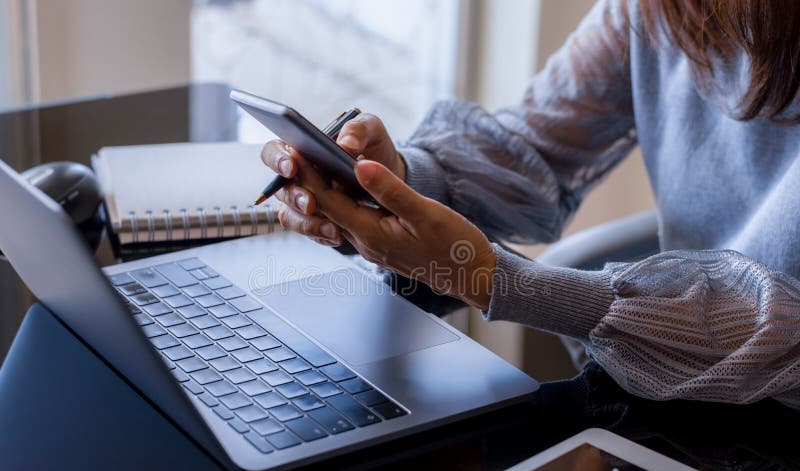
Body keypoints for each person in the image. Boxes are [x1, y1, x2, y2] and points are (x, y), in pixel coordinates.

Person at [260, 0, 800, 409]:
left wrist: (493, 279)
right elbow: (533, 147)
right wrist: (394, 177)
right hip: (687, 401)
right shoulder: (657, 11)